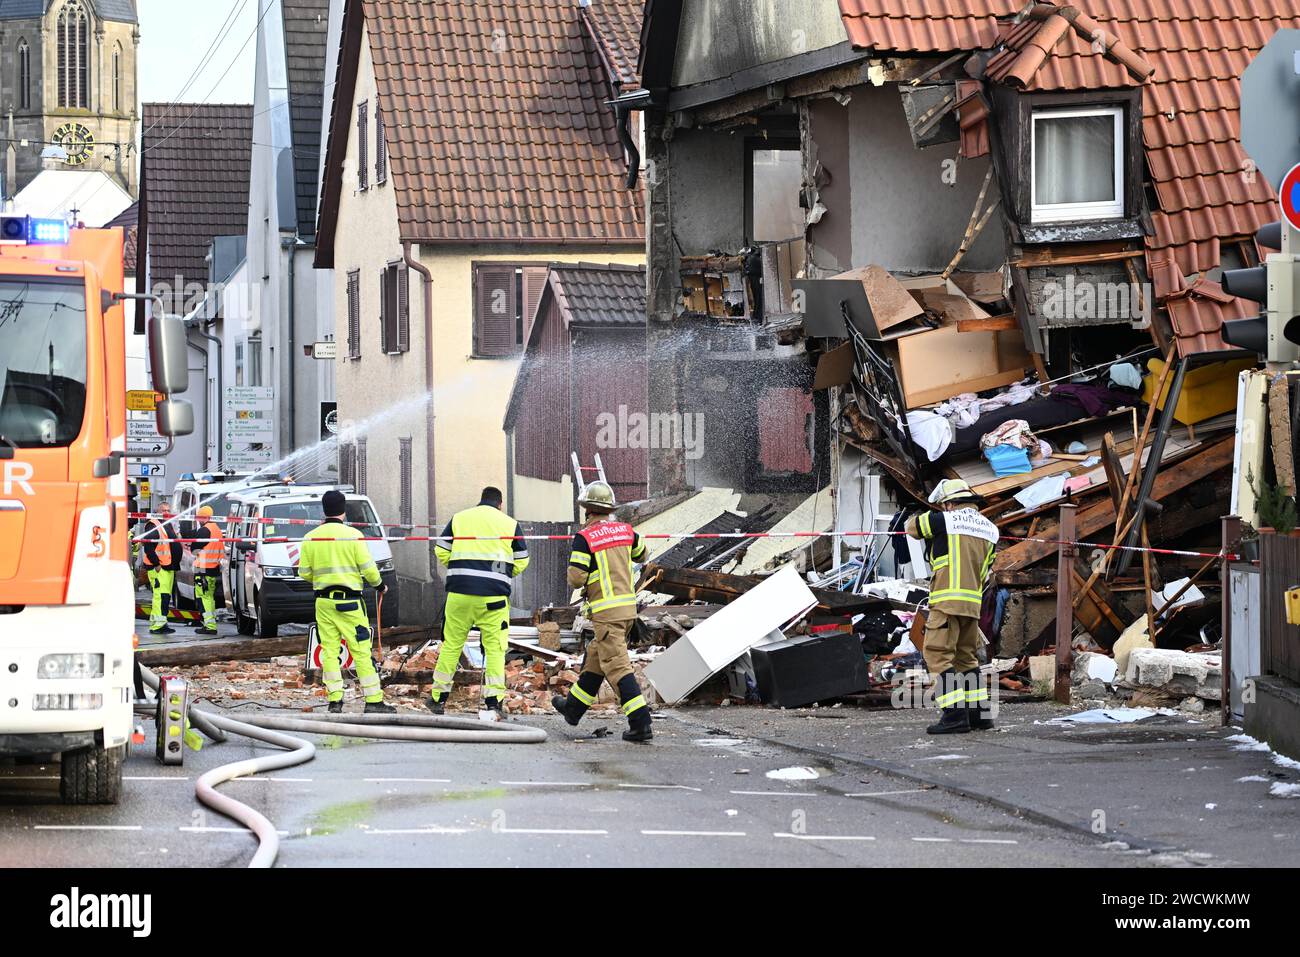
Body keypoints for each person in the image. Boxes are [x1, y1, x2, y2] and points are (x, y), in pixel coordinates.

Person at [551, 481, 653, 743]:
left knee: (617, 667)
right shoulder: (625, 531)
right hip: (628, 609)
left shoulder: (585, 538)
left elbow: (576, 577)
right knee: (597, 658)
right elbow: (643, 554)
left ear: (587, 510)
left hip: (607, 613)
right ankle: (573, 709)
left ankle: (640, 723)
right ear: (609, 509)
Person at [906, 478, 999, 735]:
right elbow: (986, 571)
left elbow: (912, 528)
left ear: (949, 503)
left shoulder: (945, 520)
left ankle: (955, 716)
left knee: (936, 654)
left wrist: (929, 514)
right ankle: (979, 715)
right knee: (966, 658)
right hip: (972, 604)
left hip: (947, 601)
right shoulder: (990, 529)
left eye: (944, 504)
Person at [428, 487, 528, 719]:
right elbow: (522, 560)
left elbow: (440, 549)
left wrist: (459, 568)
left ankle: (437, 700)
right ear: (500, 504)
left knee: (452, 645)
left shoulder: (459, 518)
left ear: (480, 500)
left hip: (459, 595)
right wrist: (502, 574)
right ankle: (494, 703)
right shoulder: (510, 524)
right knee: (495, 649)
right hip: (493, 598)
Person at [297, 490, 395, 714]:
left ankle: (335, 700)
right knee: (360, 650)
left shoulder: (311, 537)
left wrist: (322, 580)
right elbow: (368, 568)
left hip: (323, 602)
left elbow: (304, 572)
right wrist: (380, 585)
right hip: (350, 603)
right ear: (343, 510)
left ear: (324, 509)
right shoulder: (353, 535)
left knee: (329, 652)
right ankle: (373, 701)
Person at [139, 501, 180, 635]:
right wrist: (156, 564)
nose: (167, 513)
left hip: (168, 567)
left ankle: (161, 622)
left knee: (165, 597)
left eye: (168, 510)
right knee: (160, 597)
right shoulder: (154, 524)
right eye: (164, 510)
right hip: (159, 568)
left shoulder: (166, 524)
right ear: (157, 512)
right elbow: (148, 547)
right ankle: (157, 626)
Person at [189, 504, 224, 636]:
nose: (198, 520)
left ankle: (209, 626)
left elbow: (194, 549)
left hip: (202, 570)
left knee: (203, 598)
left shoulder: (204, 530)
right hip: (213, 569)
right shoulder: (216, 529)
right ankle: (209, 623)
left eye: (199, 517)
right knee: (209, 597)